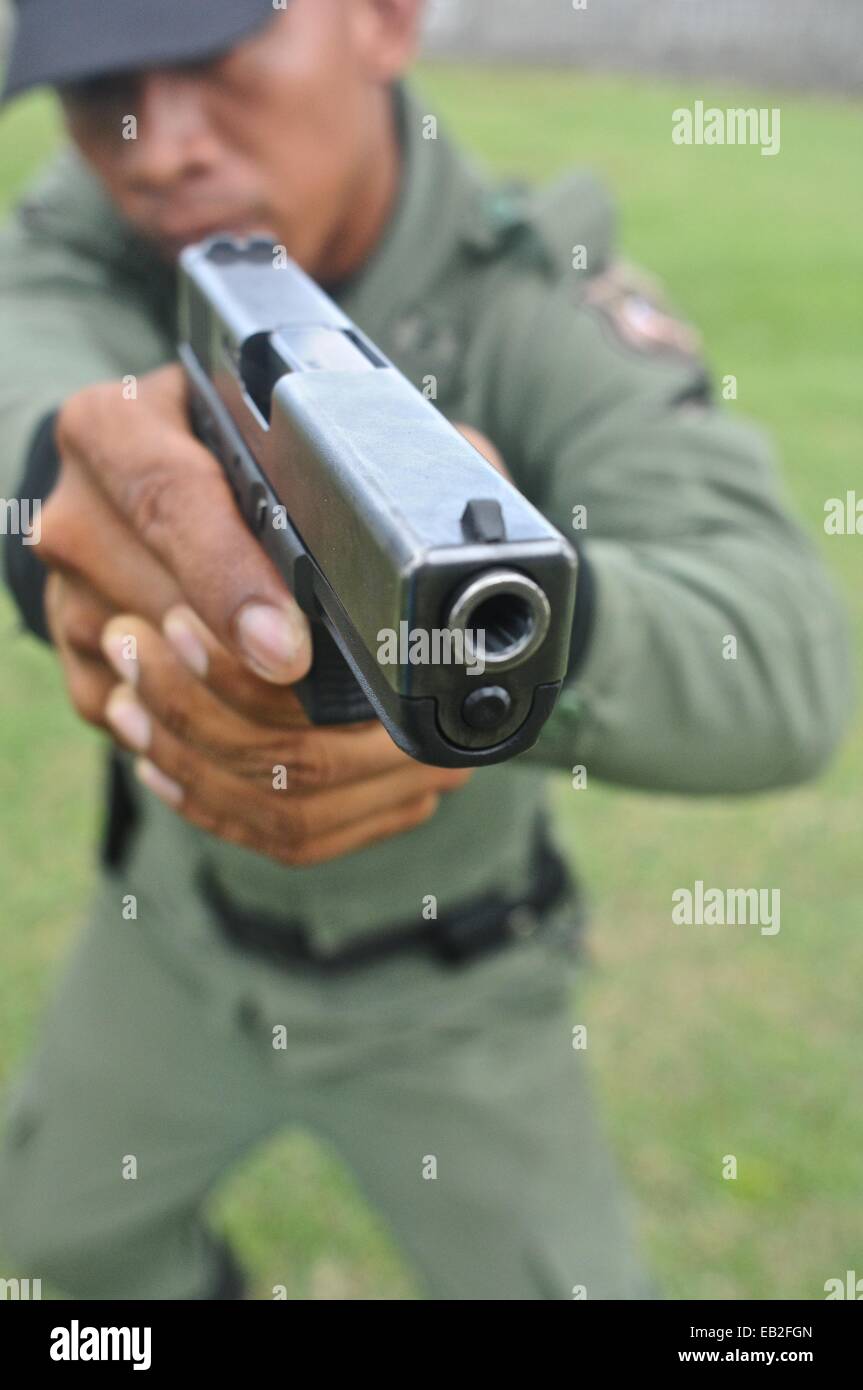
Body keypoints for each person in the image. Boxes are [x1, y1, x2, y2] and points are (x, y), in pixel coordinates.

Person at [0, 0, 852, 1300]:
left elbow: (783, 658)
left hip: (451, 988)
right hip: (175, 941)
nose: (155, 144)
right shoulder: (103, 221)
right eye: (101, 84)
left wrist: (524, 644)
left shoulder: (534, 293)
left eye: (211, 58)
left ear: (386, 18)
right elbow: (29, 327)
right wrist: (62, 485)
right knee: (65, 1240)